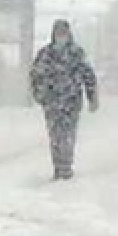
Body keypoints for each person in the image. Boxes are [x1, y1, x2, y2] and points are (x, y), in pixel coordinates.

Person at [28, 20, 100, 181]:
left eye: (63, 33)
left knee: (68, 134)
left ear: (68, 34)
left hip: (71, 102)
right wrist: (39, 95)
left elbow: (88, 75)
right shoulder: (45, 54)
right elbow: (35, 76)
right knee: (55, 135)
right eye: (58, 33)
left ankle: (66, 165)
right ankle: (58, 165)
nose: (61, 36)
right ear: (53, 35)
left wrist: (92, 96)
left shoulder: (76, 53)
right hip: (52, 103)